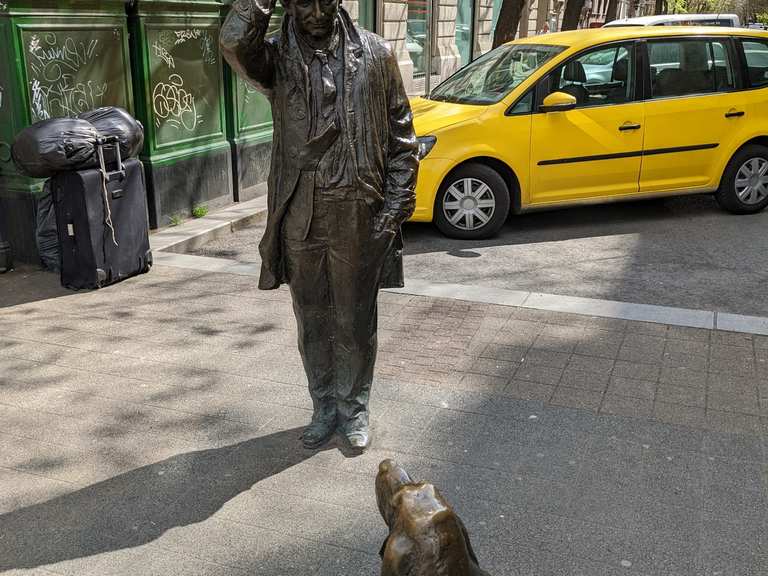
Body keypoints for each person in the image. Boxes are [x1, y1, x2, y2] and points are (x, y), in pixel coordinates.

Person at [220, 0, 419, 451]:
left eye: (323, 0)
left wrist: (394, 207)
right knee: (311, 319)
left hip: (355, 206)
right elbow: (233, 42)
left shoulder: (376, 54)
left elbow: (402, 137)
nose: (315, 12)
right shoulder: (275, 60)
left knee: (353, 319)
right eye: (302, 1)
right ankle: (323, 405)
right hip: (300, 209)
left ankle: (353, 408)